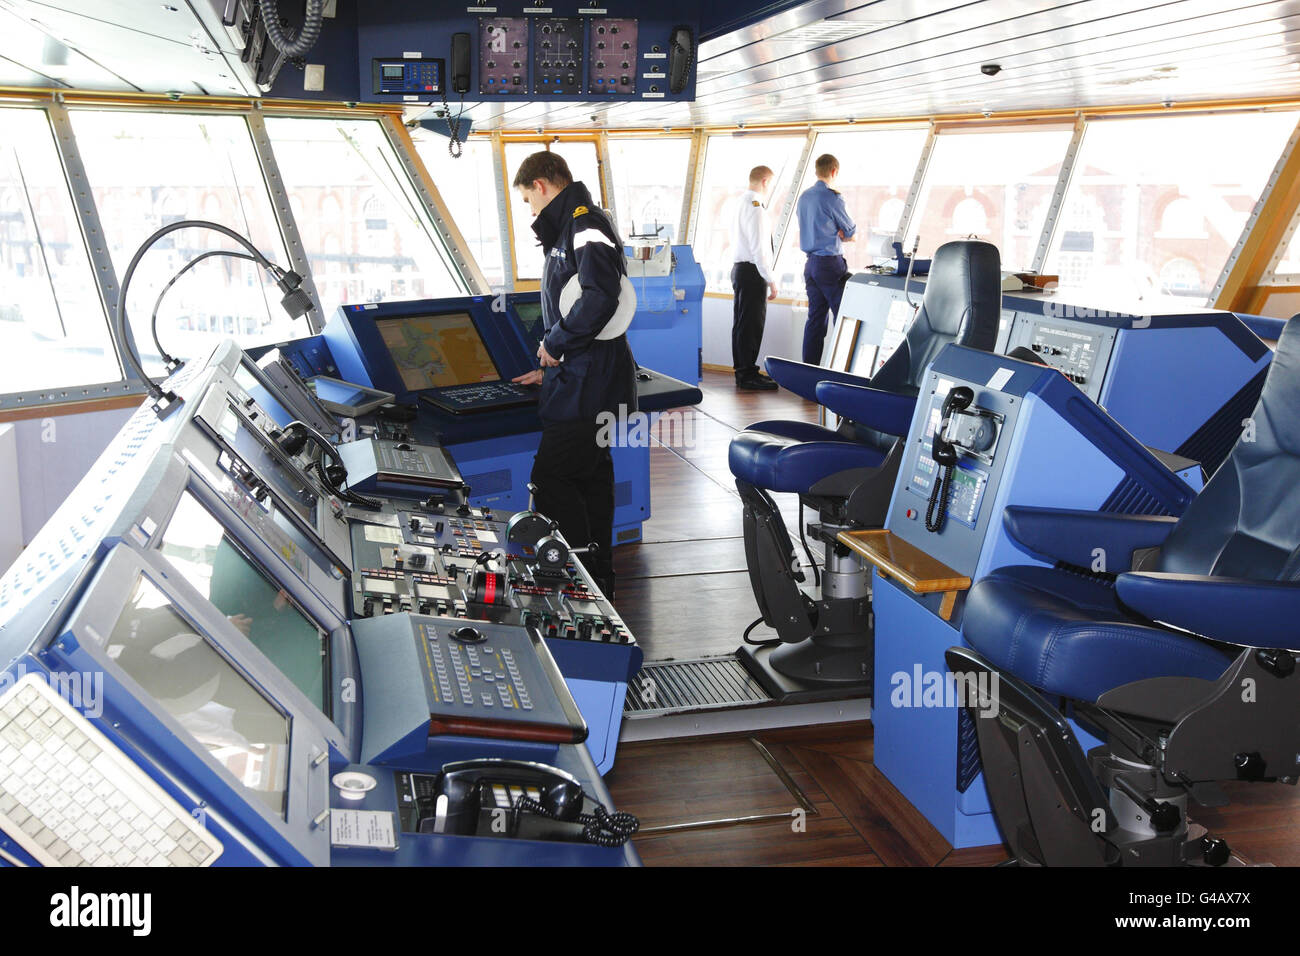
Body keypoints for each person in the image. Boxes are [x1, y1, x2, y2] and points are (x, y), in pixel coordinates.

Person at [509, 150, 634, 599]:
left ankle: (581, 581)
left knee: (555, 479)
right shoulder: (572, 227)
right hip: (584, 379)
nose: (531, 210)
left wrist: (555, 346)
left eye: (528, 200)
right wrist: (552, 365)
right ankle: (598, 582)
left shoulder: (584, 225)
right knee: (590, 478)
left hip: (589, 386)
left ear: (541, 185)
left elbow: (601, 298)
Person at [795, 153, 857, 364]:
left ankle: (809, 370)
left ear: (816, 170)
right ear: (834, 171)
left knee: (815, 320)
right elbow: (850, 231)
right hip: (830, 265)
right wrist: (842, 233)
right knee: (842, 319)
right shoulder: (832, 197)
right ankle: (840, 371)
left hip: (810, 264)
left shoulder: (804, 197)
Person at [730, 165, 779, 390]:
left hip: (740, 269)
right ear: (766, 181)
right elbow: (759, 248)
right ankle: (747, 375)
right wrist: (771, 280)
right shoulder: (756, 206)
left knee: (742, 324)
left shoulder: (741, 202)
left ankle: (743, 371)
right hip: (752, 272)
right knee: (751, 324)